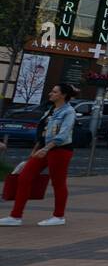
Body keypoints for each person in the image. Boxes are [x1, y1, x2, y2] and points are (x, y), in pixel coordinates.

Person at [1, 82, 79, 227]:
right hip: (43, 148)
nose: (51, 93)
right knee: (24, 177)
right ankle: (15, 216)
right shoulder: (50, 110)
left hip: (60, 150)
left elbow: (63, 134)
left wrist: (46, 149)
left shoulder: (69, 112)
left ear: (63, 95)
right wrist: (35, 150)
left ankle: (58, 216)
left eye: (55, 92)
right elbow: (42, 132)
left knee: (58, 183)